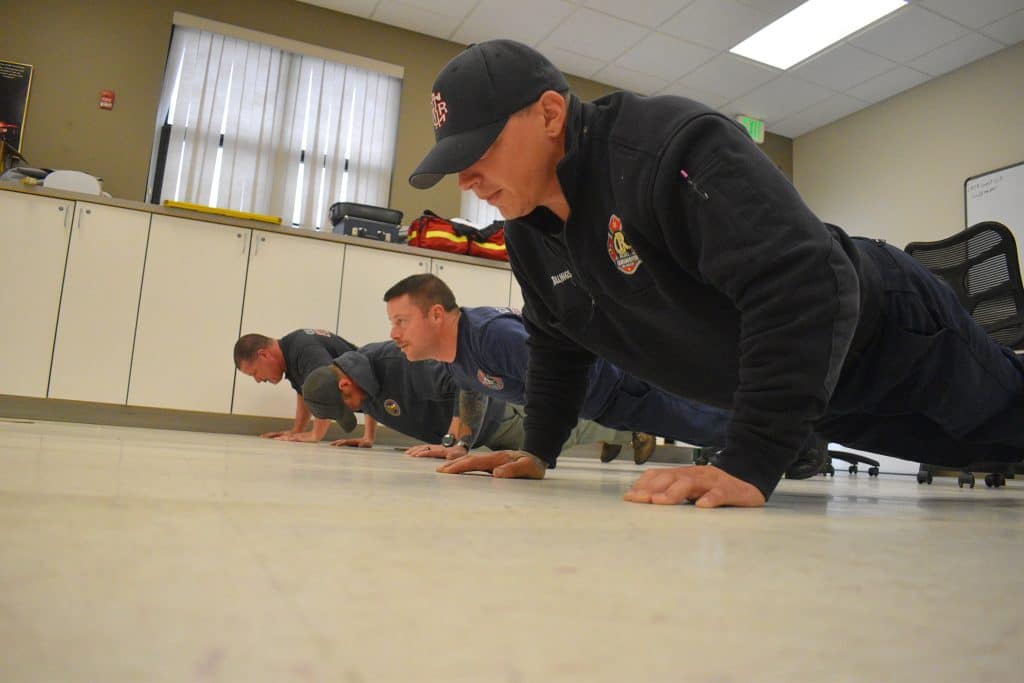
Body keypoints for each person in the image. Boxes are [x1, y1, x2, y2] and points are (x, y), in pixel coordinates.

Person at [407, 39, 1024, 508]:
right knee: (995, 453)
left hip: (896, 338)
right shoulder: (529, 232)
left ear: (549, 114)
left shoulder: (667, 149)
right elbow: (557, 342)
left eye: (479, 150)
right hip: (828, 395)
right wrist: (537, 449)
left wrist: (749, 461)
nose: (465, 179)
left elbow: (803, 280)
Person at [383, 273, 734, 466]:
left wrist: (534, 452)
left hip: (625, 383)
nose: (393, 334)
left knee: (710, 422)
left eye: (401, 321)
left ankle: (780, 441)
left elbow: (551, 375)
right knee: (707, 429)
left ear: (436, 314)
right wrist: (459, 443)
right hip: (606, 405)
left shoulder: (492, 335)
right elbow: (471, 391)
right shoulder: (454, 356)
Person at [301, 340, 531, 458]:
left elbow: (469, 379)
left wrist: (451, 443)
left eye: (346, 407)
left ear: (344, 385)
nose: (355, 409)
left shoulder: (403, 362)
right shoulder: (356, 377)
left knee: (557, 434)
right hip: (481, 436)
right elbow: (371, 398)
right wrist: (367, 437)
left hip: (503, 420)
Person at [234, 329, 358, 442]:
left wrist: (316, 434)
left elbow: (327, 385)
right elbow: (303, 391)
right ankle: (368, 436)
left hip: (371, 387)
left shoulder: (304, 350)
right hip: (369, 394)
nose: (257, 380)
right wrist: (297, 430)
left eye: (255, 373)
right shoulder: (289, 352)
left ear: (264, 355)